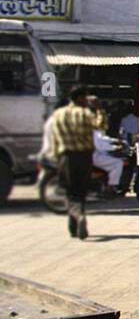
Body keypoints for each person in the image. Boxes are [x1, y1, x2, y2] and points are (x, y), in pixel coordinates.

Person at [47, 86, 103, 239]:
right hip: (84, 157)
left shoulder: (58, 114)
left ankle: (76, 221)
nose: (87, 100)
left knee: (70, 193)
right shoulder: (85, 113)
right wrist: (99, 109)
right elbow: (101, 126)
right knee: (81, 192)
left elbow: (54, 138)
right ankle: (78, 220)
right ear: (79, 98)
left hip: (66, 158)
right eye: (85, 97)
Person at [92, 127, 126, 193]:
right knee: (118, 163)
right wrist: (115, 147)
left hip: (98, 154)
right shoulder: (94, 131)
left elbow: (103, 139)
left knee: (115, 158)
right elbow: (101, 146)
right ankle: (111, 186)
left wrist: (115, 140)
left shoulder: (96, 131)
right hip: (96, 155)